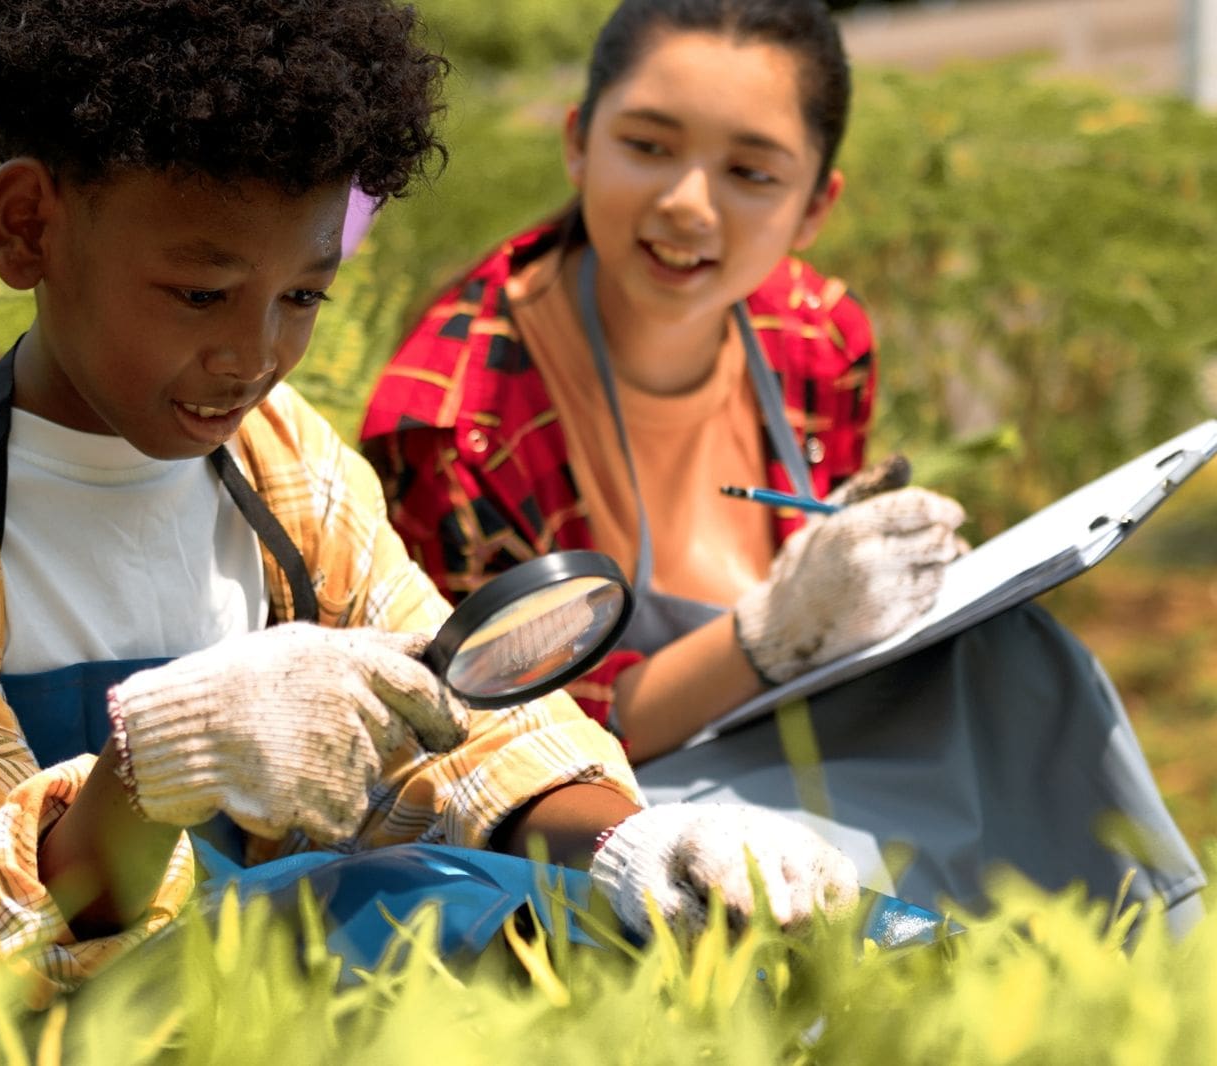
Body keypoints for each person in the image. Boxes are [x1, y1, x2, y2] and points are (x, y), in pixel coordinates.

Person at [0, 0, 862, 1002]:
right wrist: (167, 760)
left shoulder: (284, 464)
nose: (253, 354)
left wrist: (640, 849)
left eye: (303, 295)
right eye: (201, 292)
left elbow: (463, 727)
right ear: (30, 226)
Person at [360, 0, 1203, 920]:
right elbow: (500, 744)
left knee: (1015, 653)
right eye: (646, 146)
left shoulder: (817, 336)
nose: (688, 202)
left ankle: (1141, 935)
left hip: (791, 729)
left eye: (751, 172)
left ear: (814, 206)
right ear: (577, 143)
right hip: (617, 808)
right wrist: (773, 631)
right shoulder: (455, 417)